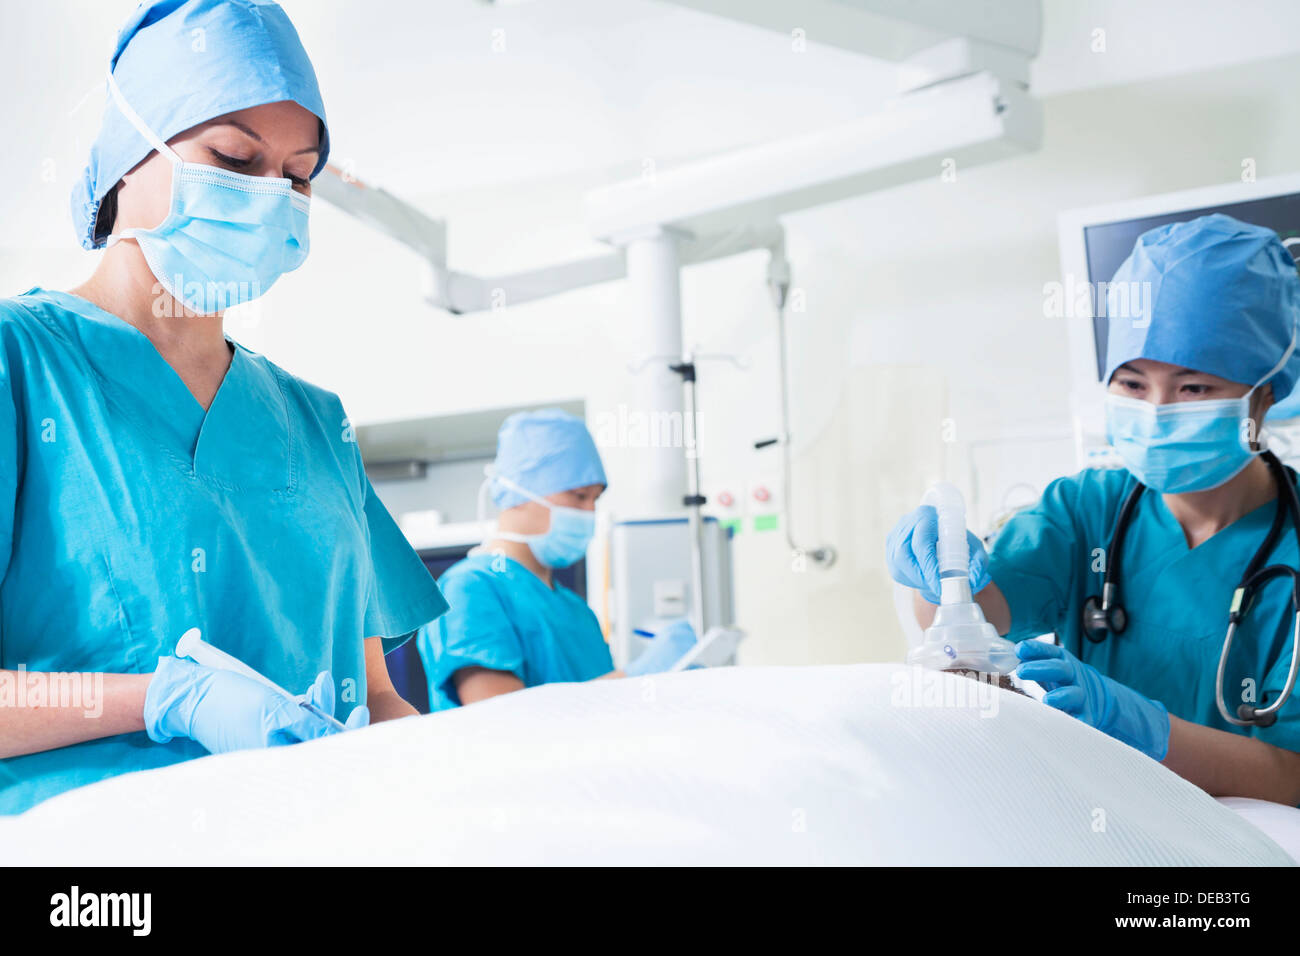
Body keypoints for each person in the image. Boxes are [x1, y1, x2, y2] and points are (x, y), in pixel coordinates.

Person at [0, 0, 448, 814]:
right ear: (128, 156)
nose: (271, 195)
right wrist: (161, 700)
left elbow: (378, 697)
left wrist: (440, 781)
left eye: (298, 174)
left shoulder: (315, 422)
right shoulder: (19, 362)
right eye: (235, 158)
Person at [887, 213, 1300, 806]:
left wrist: (1150, 731)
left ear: (1264, 392)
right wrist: (937, 573)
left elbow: (1295, 775)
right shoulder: (1087, 509)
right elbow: (971, 618)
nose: (1156, 411)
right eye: (1132, 384)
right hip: (1101, 822)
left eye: (1194, 389)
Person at [417, 409, 696, 708]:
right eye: (578, 496)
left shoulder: (576, 609)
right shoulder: (469, 589)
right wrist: (634, 679)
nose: (589, 512)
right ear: (519, 491)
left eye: (595, 499)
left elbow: (605, 714)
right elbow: (500, 719)